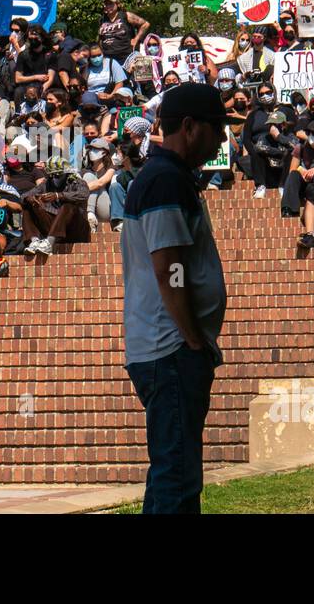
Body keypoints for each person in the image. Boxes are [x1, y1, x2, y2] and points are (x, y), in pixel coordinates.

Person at [120, 83, 244, 514]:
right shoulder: (165, 180)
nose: (222, 139)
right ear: (189, 127)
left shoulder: (167, 177)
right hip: (171, 350)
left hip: (166, 349)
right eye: (217, 129)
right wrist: (192, 338)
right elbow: (168, 268)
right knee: (178, 476)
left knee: (172, 473)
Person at [21, 156, 90, 257]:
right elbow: (23, 196)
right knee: (28, 205)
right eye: (51, 175)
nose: (54, 178)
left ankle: (49, 243)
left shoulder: (77, 181)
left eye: (57, 175)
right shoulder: (47, 183)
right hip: (56, 228)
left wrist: (59, 196)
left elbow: (84, 194)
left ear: (66, 173)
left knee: (68, 206)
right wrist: (30, 198)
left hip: (76, 230)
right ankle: (34, 241)